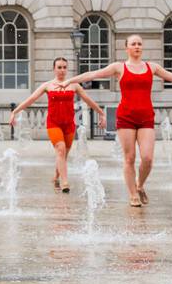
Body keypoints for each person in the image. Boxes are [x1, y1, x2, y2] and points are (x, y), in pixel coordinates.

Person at [63, 34, 172, 206]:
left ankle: (140, 185)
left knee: (147, 158)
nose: (137, 46)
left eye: (139, 43)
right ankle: (133, 195)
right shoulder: (119, 67)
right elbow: (93, 74)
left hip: (146, 117)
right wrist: (70, 81)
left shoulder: (151, 67)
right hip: (126, 118)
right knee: (129, 158)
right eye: (133, 44)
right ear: (127, 48)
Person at [8, 57, 104, 193]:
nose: (62, 70)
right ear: (54, 69)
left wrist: (101, 113)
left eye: (64, 67)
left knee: (63, 155)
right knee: (60, 149)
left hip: (69, 124)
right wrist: (15, 112)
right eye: (59, 67)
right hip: (53, 123)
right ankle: (65, 183)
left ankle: (57, 176)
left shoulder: (74, 85)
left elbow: (88, 100)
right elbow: (31, 99)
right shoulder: (48, 85)